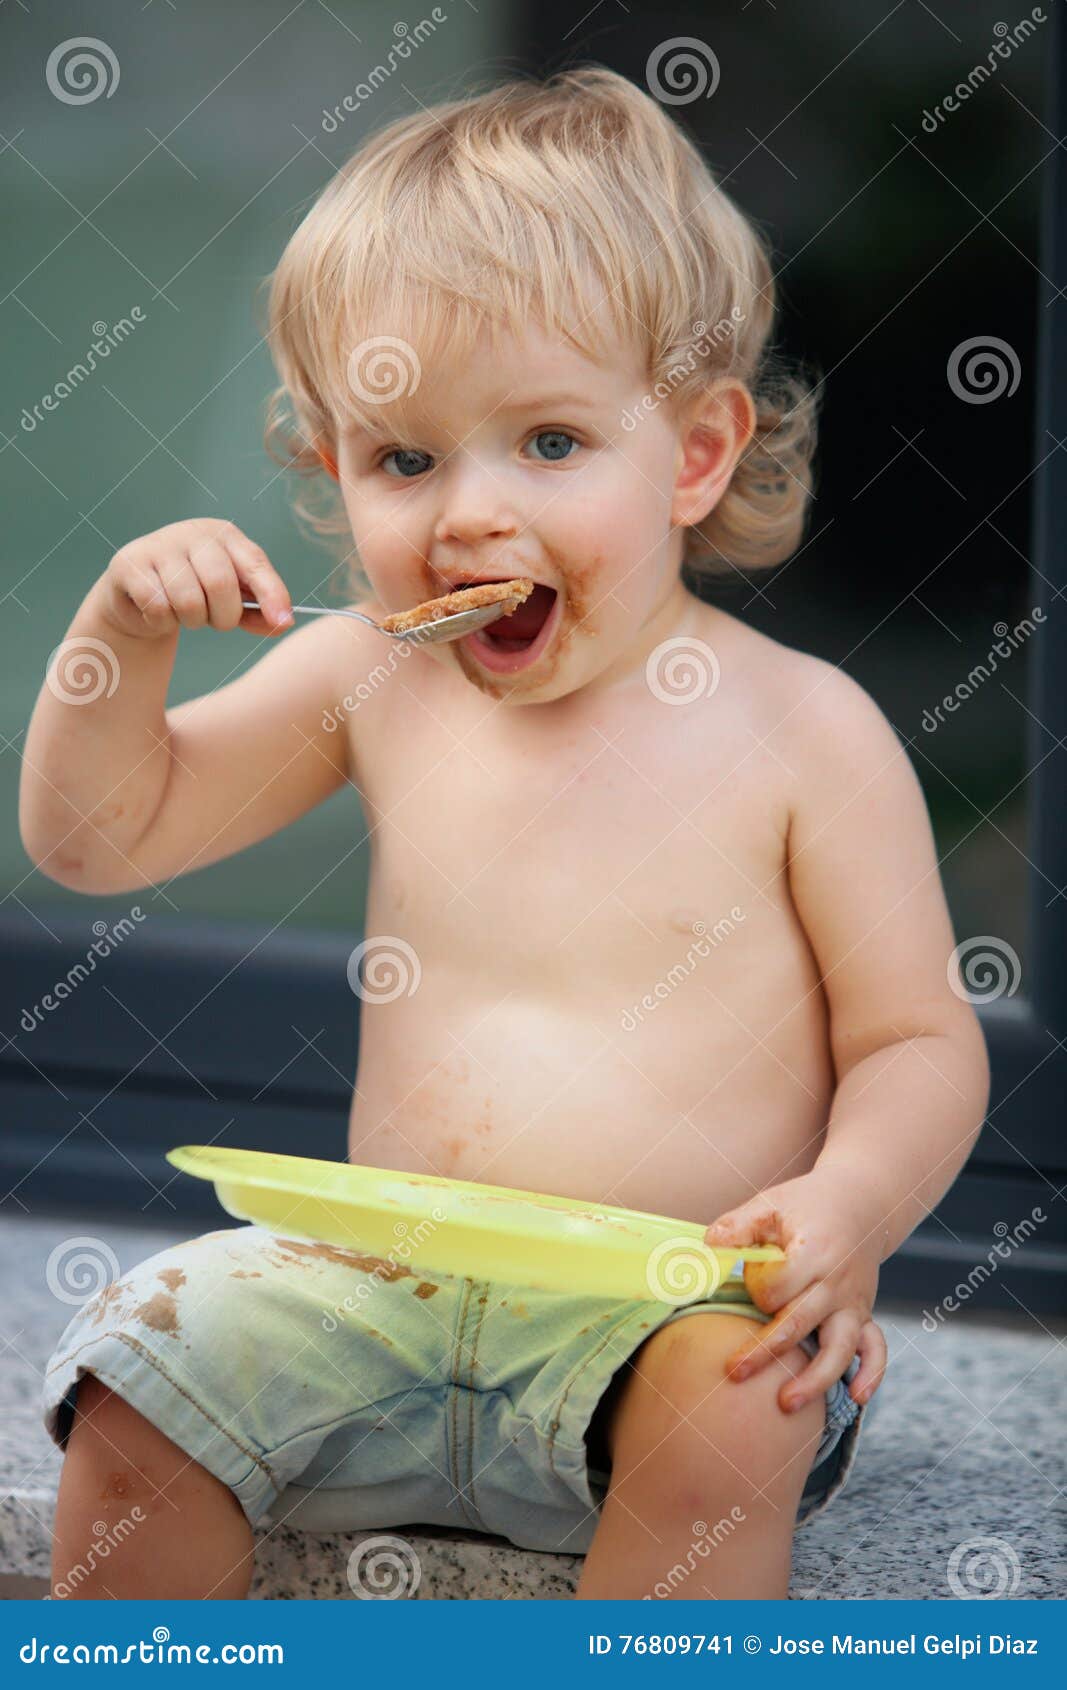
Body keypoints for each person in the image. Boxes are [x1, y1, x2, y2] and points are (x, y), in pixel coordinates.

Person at [22, 65, 989, 1600]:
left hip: (671, 1305)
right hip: (378, 1295)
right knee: (143, 1371)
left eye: (546, 443)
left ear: (691, 453)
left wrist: (845, 1204)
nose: (469, 516)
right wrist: (121, 644)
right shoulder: (371, 676)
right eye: (406, 457)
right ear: (334, 467)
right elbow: (99, 838)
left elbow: (920, 1040)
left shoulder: (804, 732)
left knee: (734, 1411)